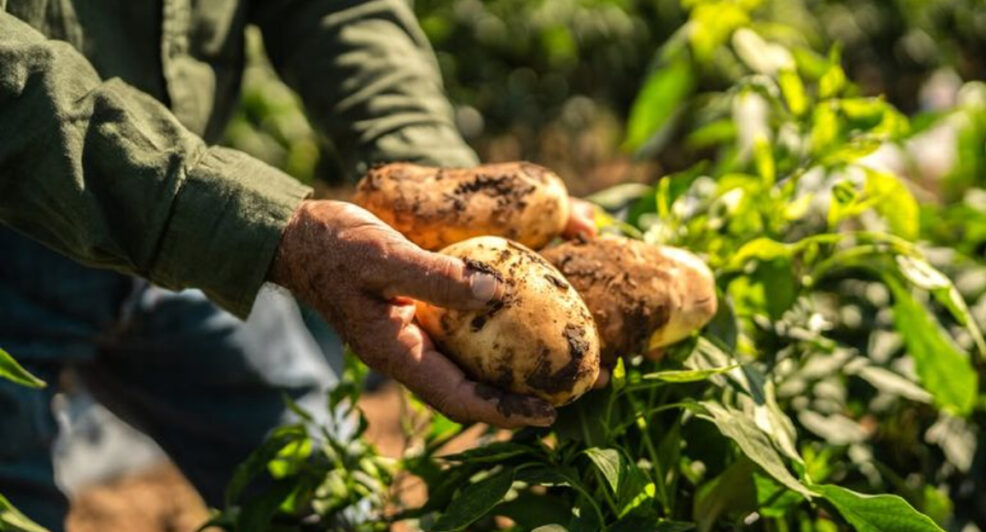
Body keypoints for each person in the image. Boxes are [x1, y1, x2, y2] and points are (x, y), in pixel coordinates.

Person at [0, 1, 596, 529]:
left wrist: (435, 188)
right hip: (81, 221)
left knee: (324, 491)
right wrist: (273, 233)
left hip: (195, 230)